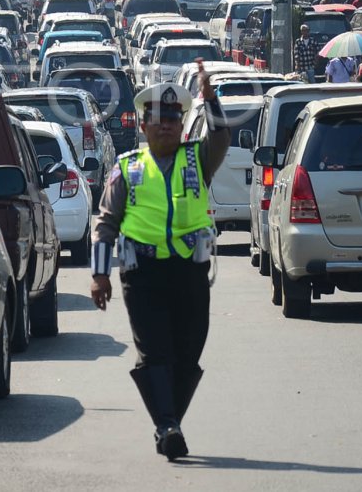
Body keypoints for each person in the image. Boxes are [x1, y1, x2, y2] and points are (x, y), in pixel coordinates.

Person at [89, 64, 229, 461]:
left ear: (182, 125)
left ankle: (169, 420)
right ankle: (167, 425)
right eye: (157, 119)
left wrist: (212, 100)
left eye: (173, 119)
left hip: (189, 271)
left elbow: (220, 138)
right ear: (144, 125)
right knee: (155, 352)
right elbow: (105, 224)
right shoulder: (128, 167)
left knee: (188, 354)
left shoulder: (198, 160)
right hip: (144, 275)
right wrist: (100, 276)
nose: (165, 126)